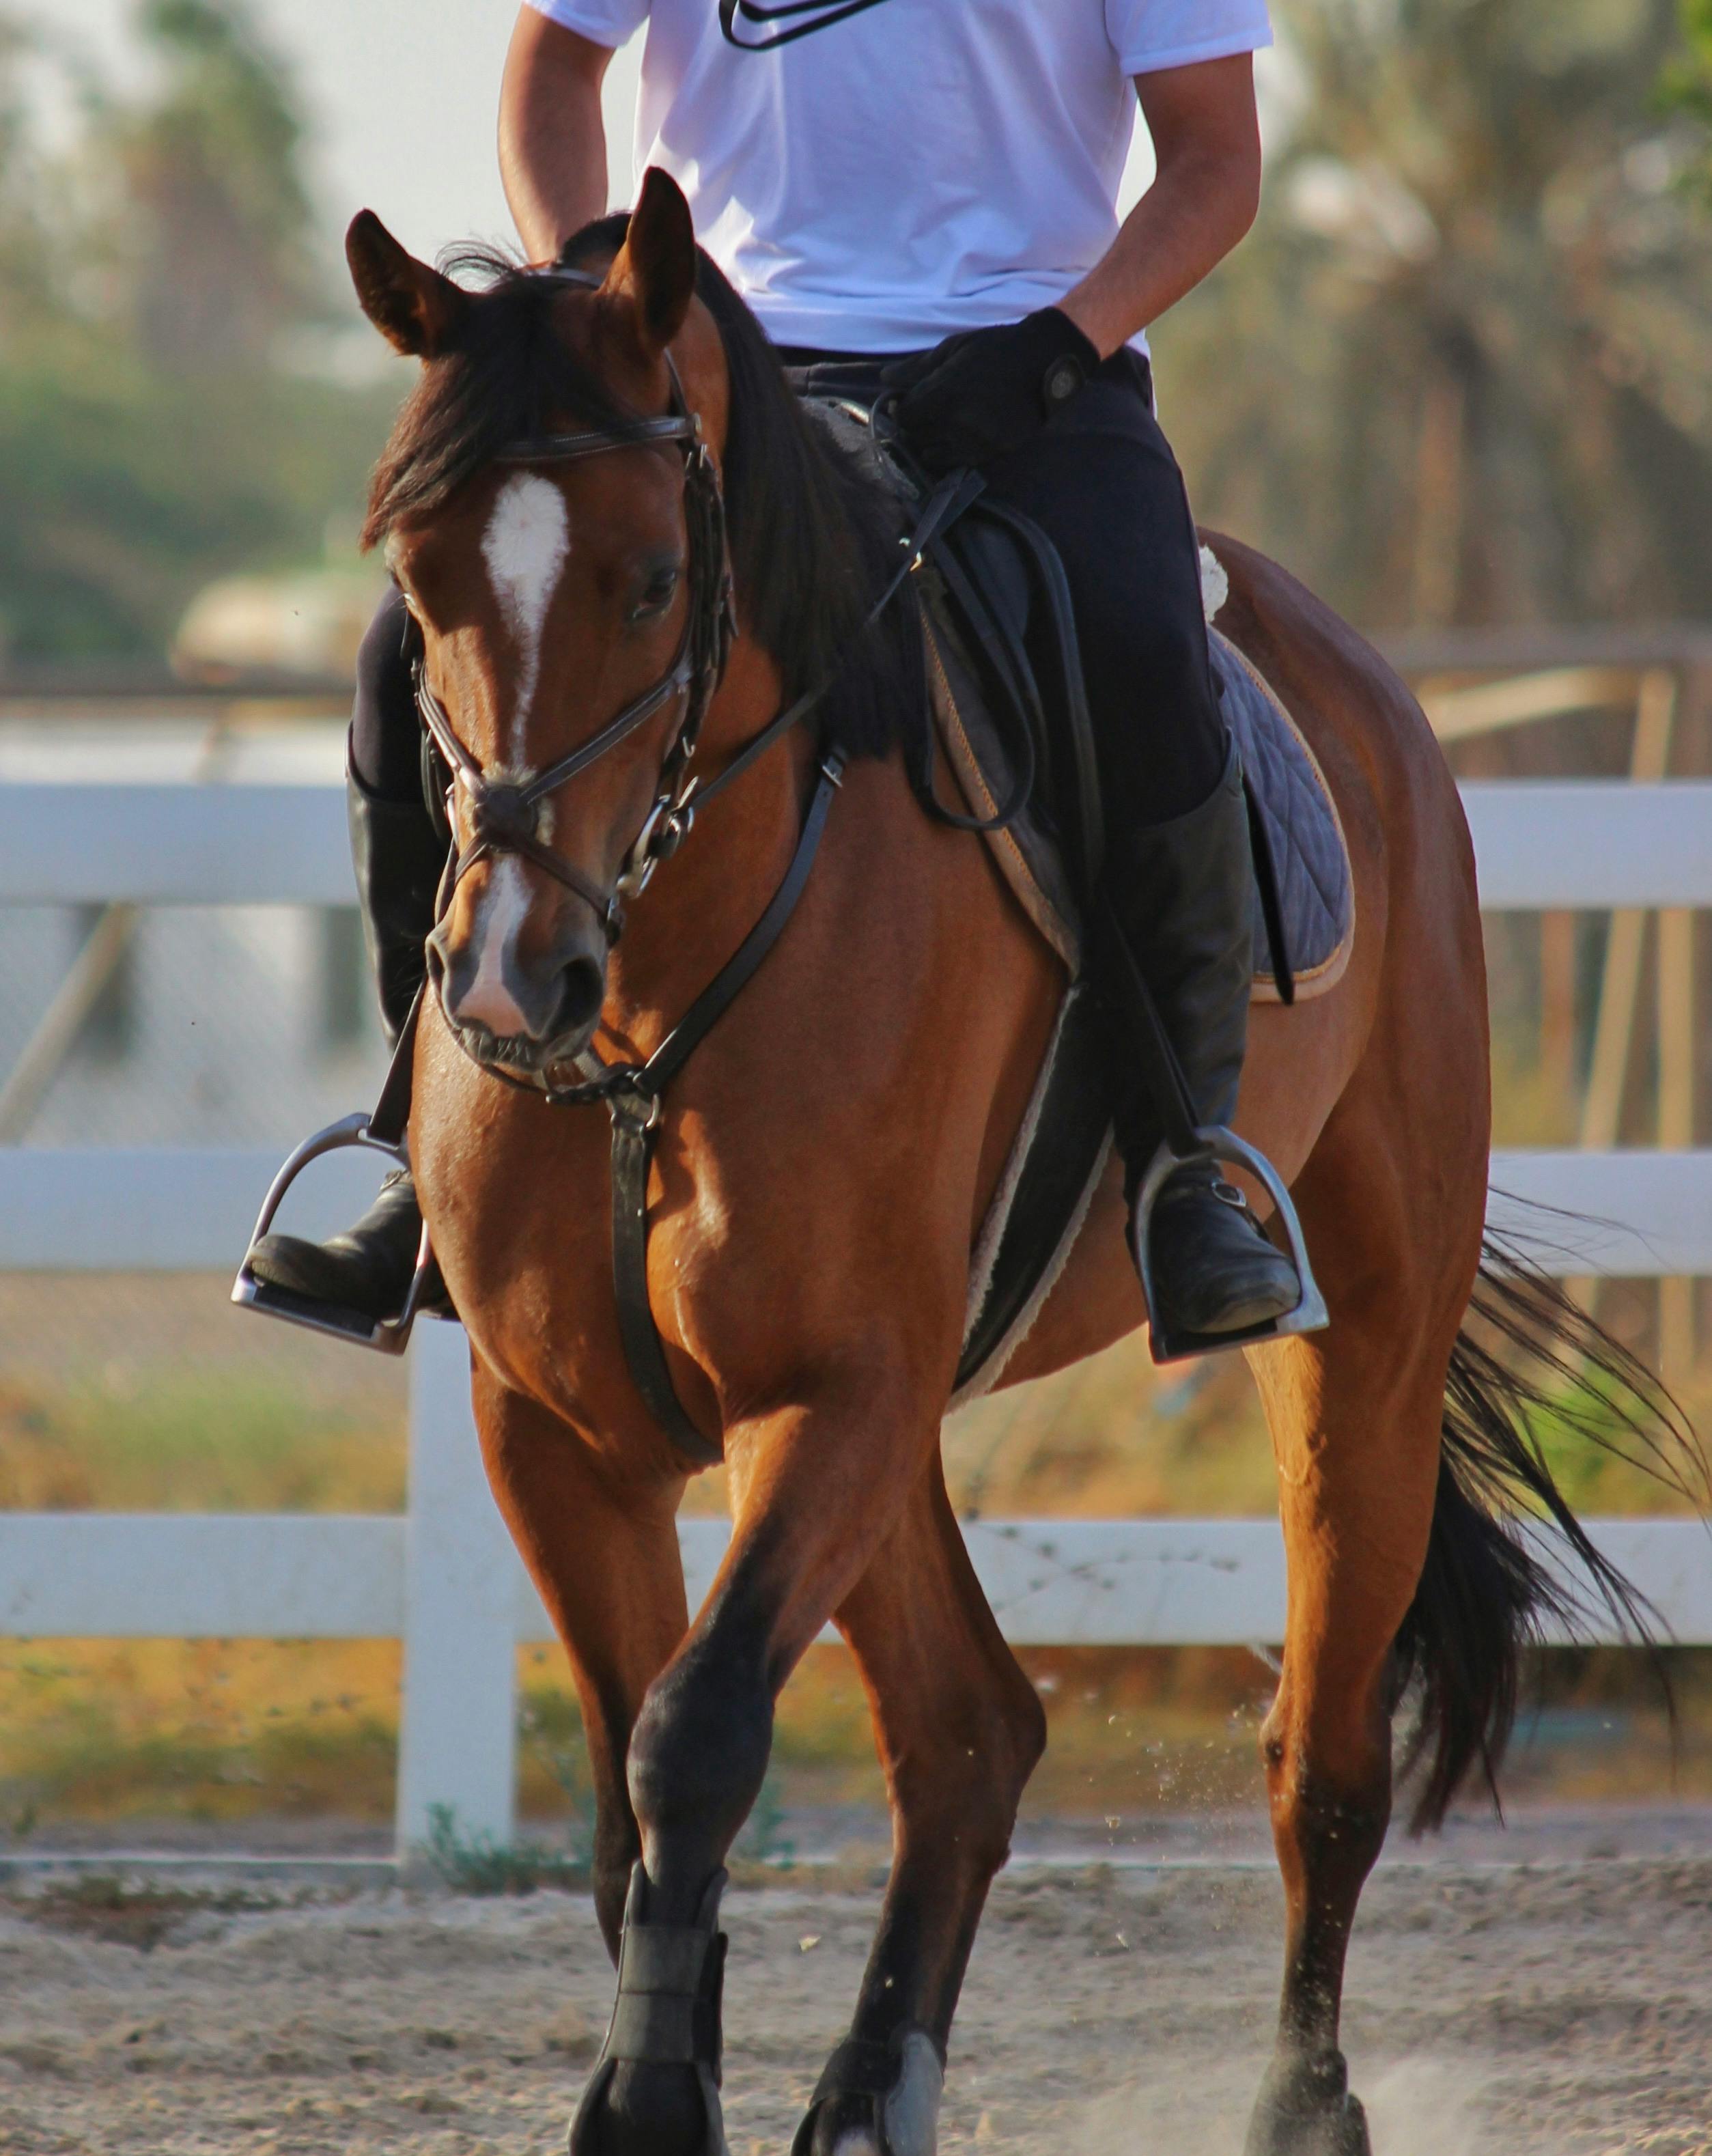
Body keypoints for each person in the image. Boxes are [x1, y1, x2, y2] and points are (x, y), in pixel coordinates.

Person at [247, 0, 1304, 1348]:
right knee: (413, 640)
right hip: (706, 366)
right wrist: (593, 285)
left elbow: (1218, 161)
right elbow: (553, 68)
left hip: (1029, 364)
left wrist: (1057, 343)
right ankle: (422, 1138)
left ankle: (1182, 1167)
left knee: (1145, 644)